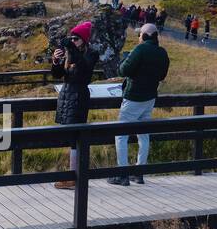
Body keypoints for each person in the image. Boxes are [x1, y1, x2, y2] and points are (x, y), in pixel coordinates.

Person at [110, 23, 170, 186]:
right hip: (150, 98)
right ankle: (139, 173)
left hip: (133, 97)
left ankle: (122, 175)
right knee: (143, 134)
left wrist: (125, 59)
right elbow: (162, 74)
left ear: (145, 36)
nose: (138, 37)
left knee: (121, 135)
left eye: (140, 34)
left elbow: (123, 70)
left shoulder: (140, 50)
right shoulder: (162, 53)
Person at [51, 22, 99, 189]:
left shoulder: (91, 54)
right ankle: (74, 175)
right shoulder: (72, 54)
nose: (73, 41)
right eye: (71, 38)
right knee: (70, 137)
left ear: (84, 40)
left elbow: (84, 71)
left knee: (75, 138)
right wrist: (56, 62)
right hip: (66, 96)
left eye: (76, 39)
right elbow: (60, 75)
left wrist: (70, 48)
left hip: (78, 97)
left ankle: (74, 177)